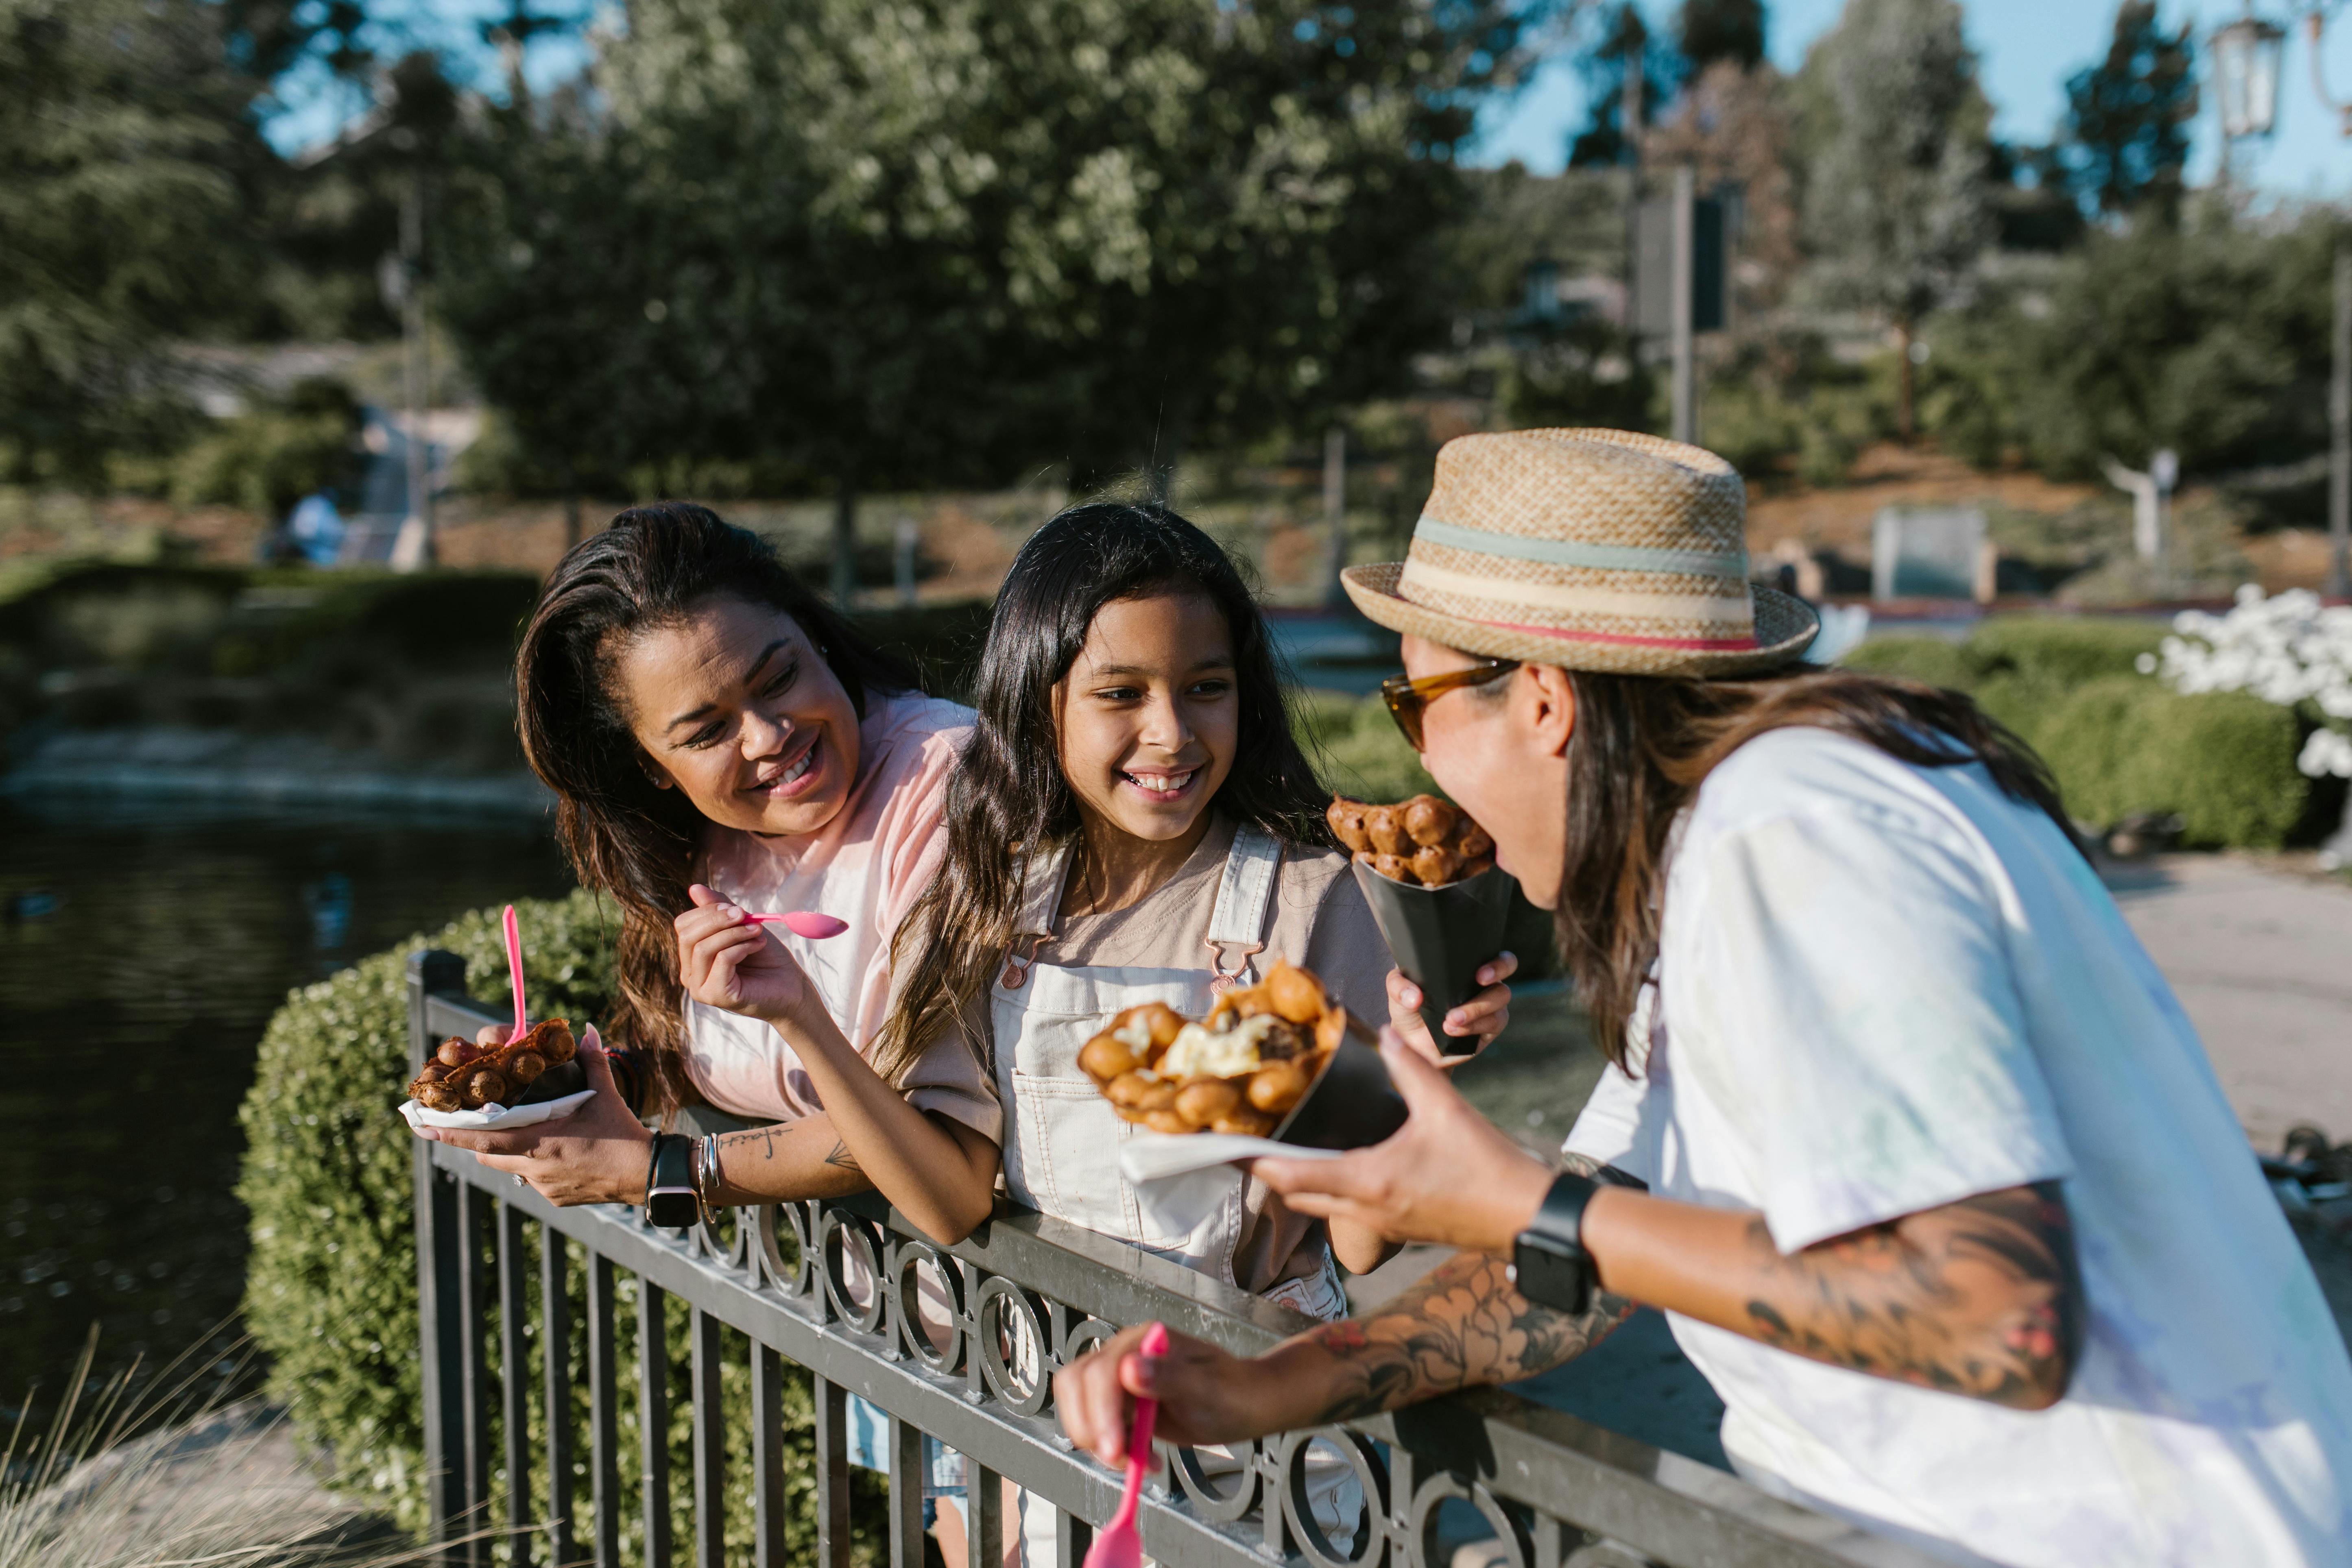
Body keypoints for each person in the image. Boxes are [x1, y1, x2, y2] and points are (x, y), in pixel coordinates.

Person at [1055, 430, 2352, 1568]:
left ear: (1546, 703)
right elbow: (1573, 1266)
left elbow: (1994, 1315)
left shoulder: (1791, 832)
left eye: (1418, 701)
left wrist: (1510, 1198)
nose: (1422, 766)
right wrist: (1262, 1385)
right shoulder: (1732, 860)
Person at [877, 501, 1514, 1564]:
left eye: (1204, 689)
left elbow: (1360, 1236)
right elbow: (948, 1186)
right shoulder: (983, 904)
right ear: (1043, 706)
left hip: (1257, 1430)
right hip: (1033, 1396)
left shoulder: (1315, 893)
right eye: (1119, 695)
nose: (1170, 732)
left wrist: (1409, 1068)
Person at [410, 503, 999, 1242]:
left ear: (812, 635)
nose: (770, 736)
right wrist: (566, 1080)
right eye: (708, 732)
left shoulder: (945, 783)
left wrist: (662, 1171)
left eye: (780, 677)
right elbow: (706, 1058)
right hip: (877, 1329)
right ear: (650, 768)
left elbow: (935, 1144)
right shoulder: (711, 839)